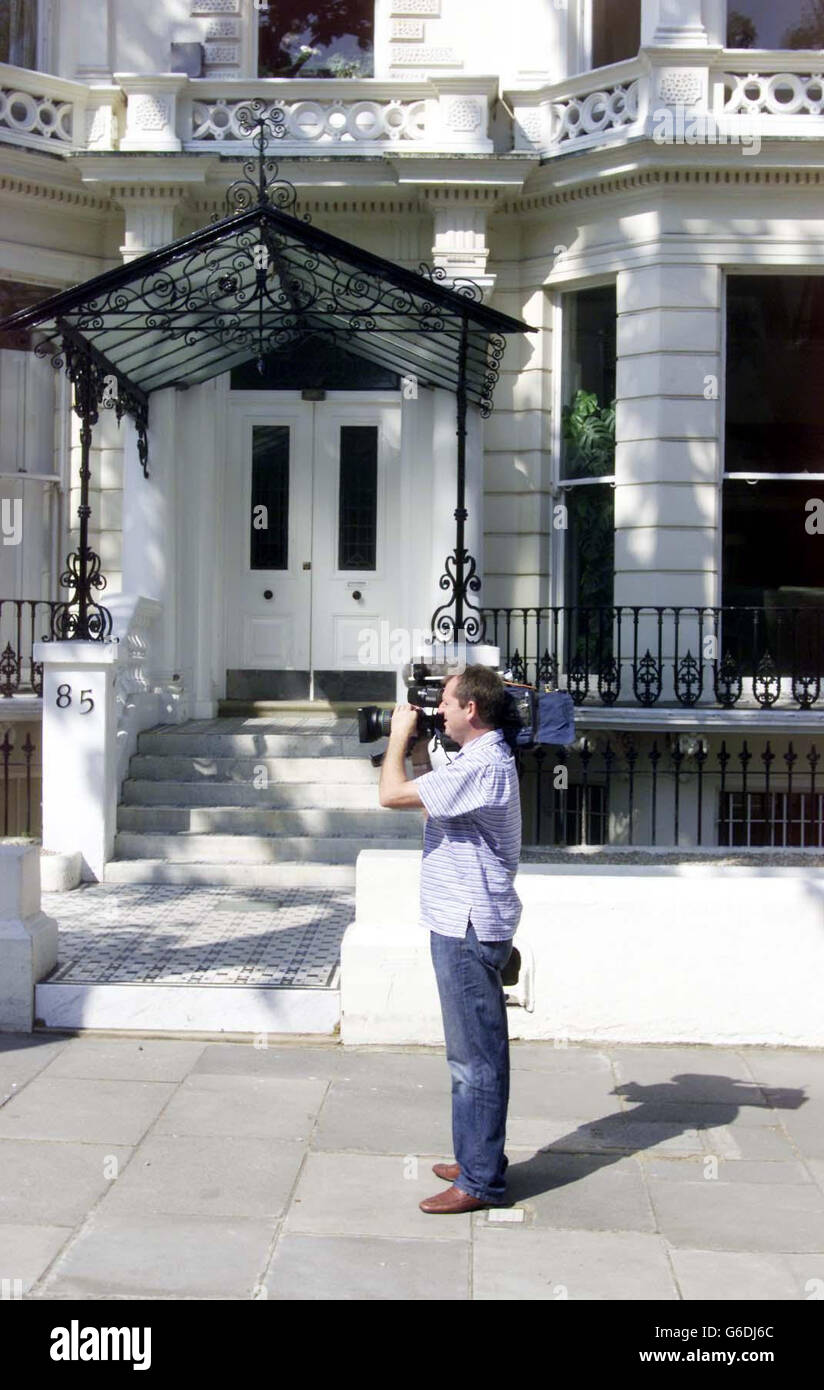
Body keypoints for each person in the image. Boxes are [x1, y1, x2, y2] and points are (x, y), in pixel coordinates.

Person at [378, 664, 522, 1214]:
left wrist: (395, 739)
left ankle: (481, 1182)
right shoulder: (476, 760)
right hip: (458, 918)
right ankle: (475, 1158)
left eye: (446, 701)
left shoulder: (483, 766)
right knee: (468, 1054)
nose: (437, 708)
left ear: (472, 710)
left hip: (467, 925)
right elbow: (422, 789)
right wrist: (414, 746)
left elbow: (391, 795)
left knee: (475, 1060)